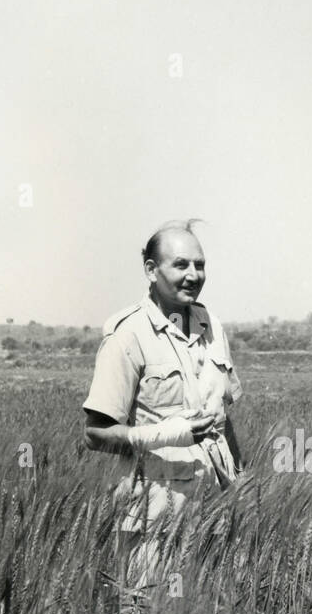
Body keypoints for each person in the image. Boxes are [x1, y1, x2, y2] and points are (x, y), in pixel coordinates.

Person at [82, 220, 244, 587]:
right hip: (152, 524)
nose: (193, 275)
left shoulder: (211, 326)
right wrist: (165, 434)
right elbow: (94, 433)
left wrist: (240, 484)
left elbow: (223, 417)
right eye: (181, 265)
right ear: (151, 271)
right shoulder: (128, 335)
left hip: (215, 516)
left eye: (199, 265)